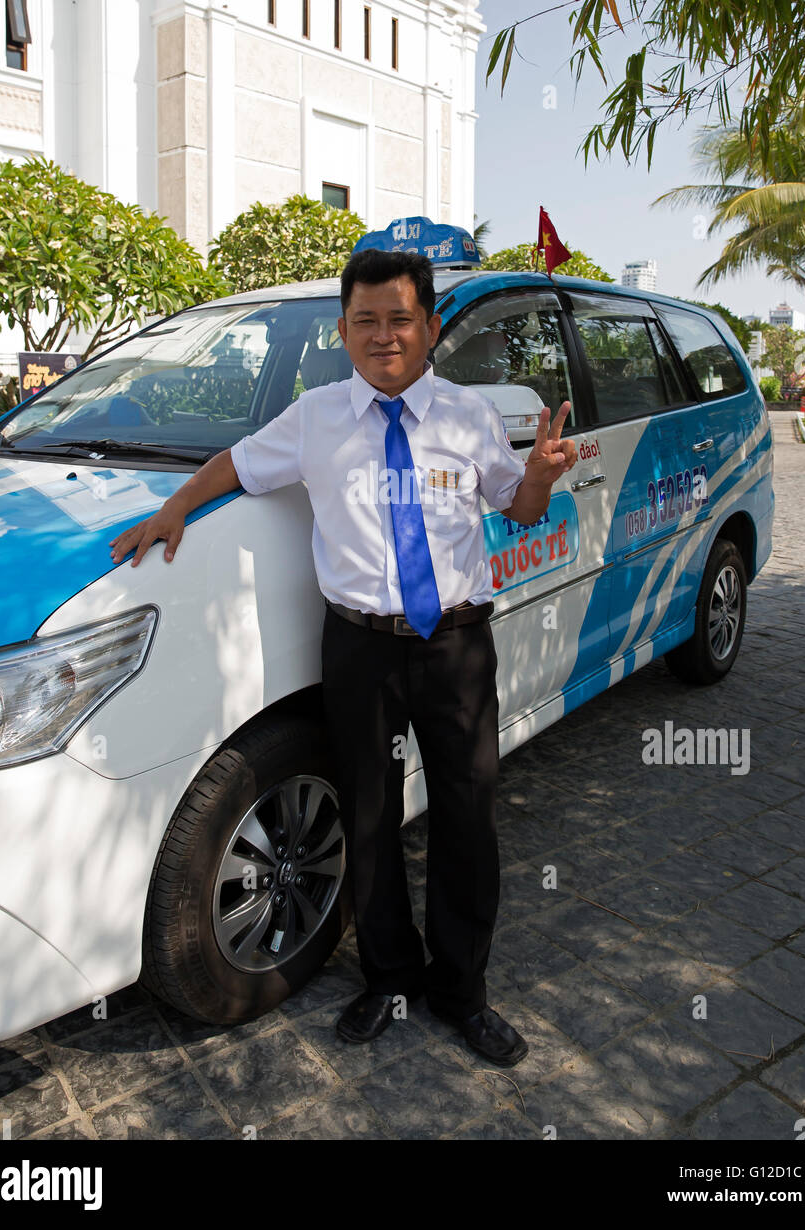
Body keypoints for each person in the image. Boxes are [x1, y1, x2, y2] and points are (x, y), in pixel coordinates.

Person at [109, 247, 577, 1067]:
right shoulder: (317, 417)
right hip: (358, 645)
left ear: (430, 328)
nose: (383, 335)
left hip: (455, 644)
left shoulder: (466, 417)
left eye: (400, 319)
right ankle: (388, 979)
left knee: (467, 818)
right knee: (367, 814)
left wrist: (538, 473)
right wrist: (174, 508)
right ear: (343, 330)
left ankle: (461, 993)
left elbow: (524, 509)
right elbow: (236, 462)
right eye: (365, 320)